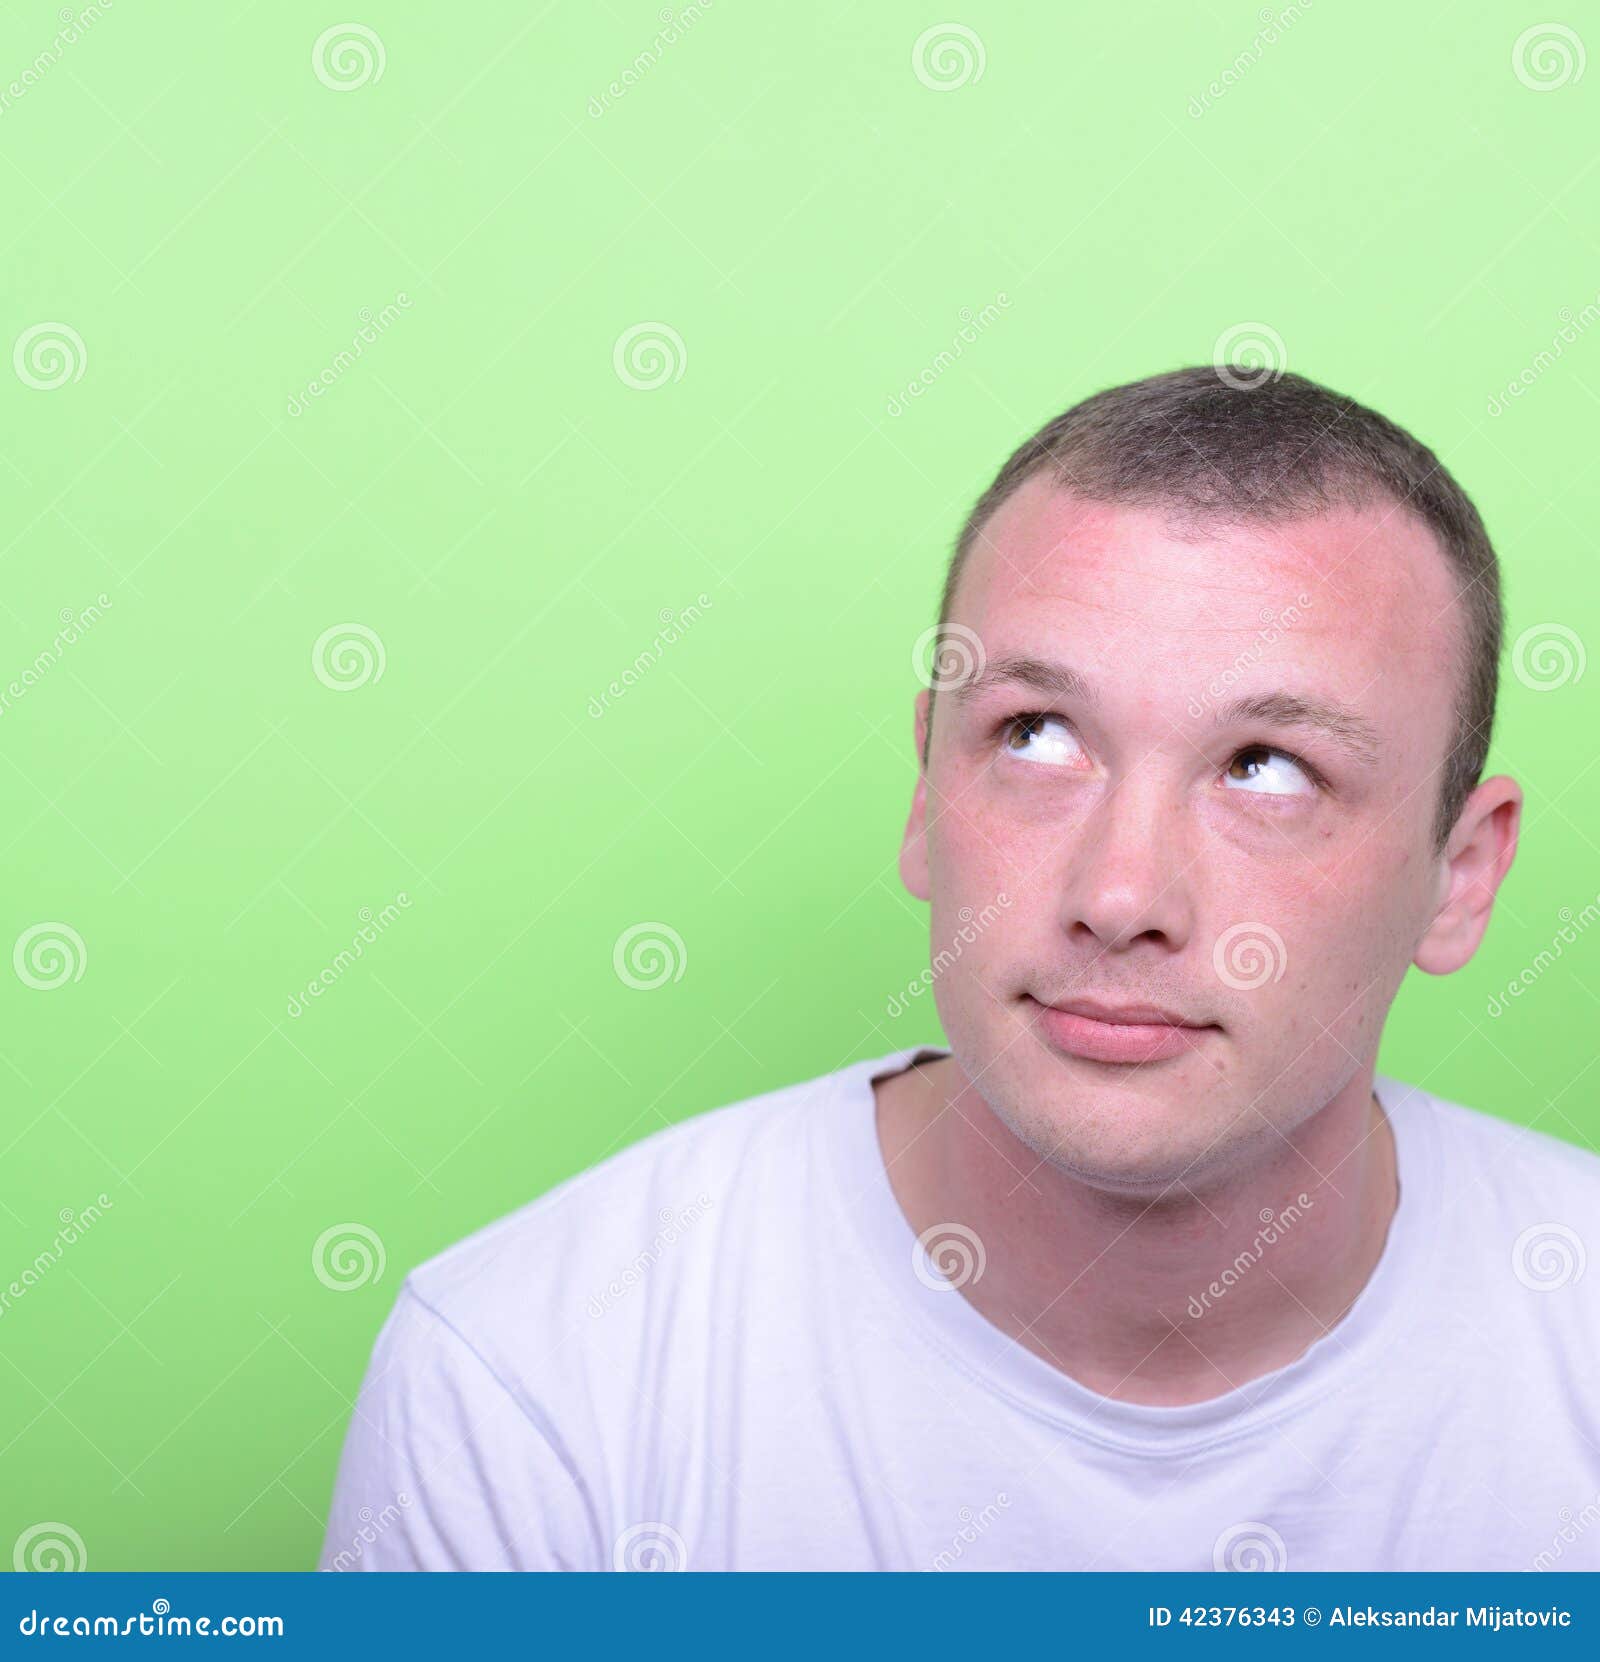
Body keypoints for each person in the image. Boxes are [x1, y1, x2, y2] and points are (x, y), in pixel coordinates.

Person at [318, 366, 1600, 1572]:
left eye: (1267, 768)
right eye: (1037, 736)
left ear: (1461, 874)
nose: (1118, 897)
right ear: (930, 792)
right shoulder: (530, 1377)